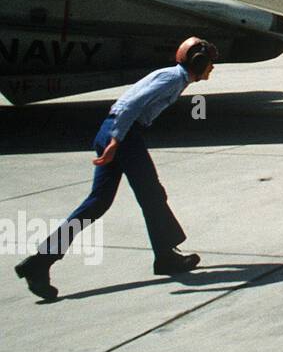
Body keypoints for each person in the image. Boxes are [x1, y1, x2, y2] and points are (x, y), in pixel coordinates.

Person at [14, 37, 217, 300]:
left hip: (114, 131)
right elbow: (130, 106)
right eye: (210, 63)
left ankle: (40, 262)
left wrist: (113, 136)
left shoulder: (175, 78)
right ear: (198, 62)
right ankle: (166, 257)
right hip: (122, 134)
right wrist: (116, 140)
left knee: (98, 202)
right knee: (152, 196)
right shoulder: (171, 79)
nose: (212, 68)